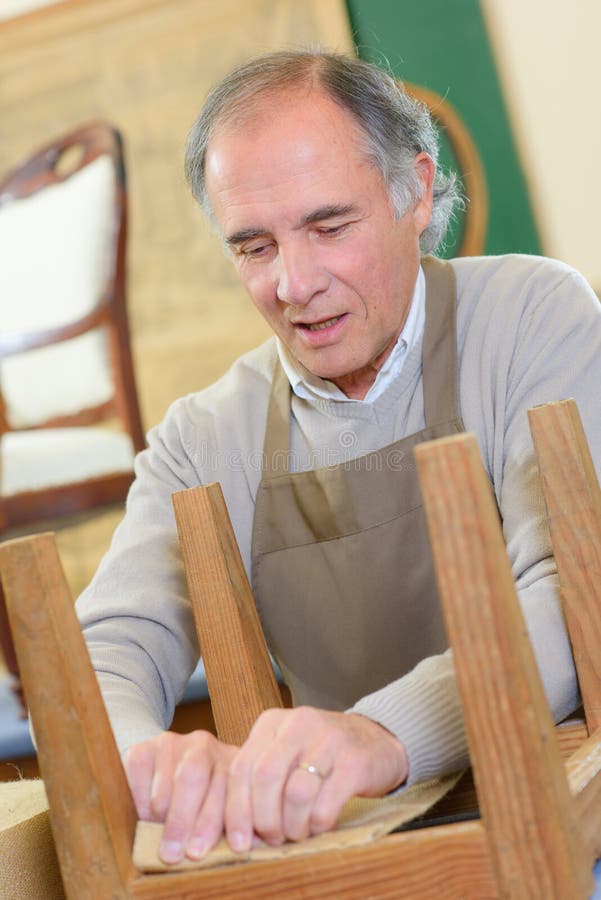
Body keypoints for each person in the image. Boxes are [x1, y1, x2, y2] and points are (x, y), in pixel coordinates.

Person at [77, 48, 601, 864]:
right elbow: (108, 647)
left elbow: (568, 590)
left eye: (328, 227)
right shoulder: (202, 438)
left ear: (416, 191)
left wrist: (379, 733)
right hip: (348, 848)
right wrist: (145, 758)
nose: (294, 282)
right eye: (253, 247)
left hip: (566, 810)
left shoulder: (535, 318)